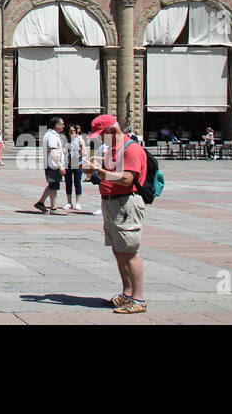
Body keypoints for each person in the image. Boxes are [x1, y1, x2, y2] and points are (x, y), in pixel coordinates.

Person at [81, 114, 148, 315]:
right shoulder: (112, 150)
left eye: (101, 135)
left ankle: (138, 298)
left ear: (112, 130)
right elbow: (103, 174)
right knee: (119, 250)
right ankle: (126, 294)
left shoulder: (131, 149)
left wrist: (99, 172)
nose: (99, 139)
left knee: (130, 251)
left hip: (126, 203)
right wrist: (91, 170)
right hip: (111, 203)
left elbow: (127, 179)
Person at [33, 117, 66, 214]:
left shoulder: (51, 135)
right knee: (54, 186)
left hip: (51, 164)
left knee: (52, 184)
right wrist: (60, 165)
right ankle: (54, 208)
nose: (63, 126)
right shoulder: (52, 136)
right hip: (53, 165)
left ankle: (40, 203)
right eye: (62, 124)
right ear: (57, 125)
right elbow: (52, 152)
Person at [64, 124, 86, 210]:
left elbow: (85, 153)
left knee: (77, 183)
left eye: (74, 131)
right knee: (68, 183)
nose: (72, 133)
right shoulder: (65, 141)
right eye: (70, 131)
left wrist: (81, 151)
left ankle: (78, 202)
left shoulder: (80, 140)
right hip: (68, 164)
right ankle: (69, 202)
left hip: (77, 164)